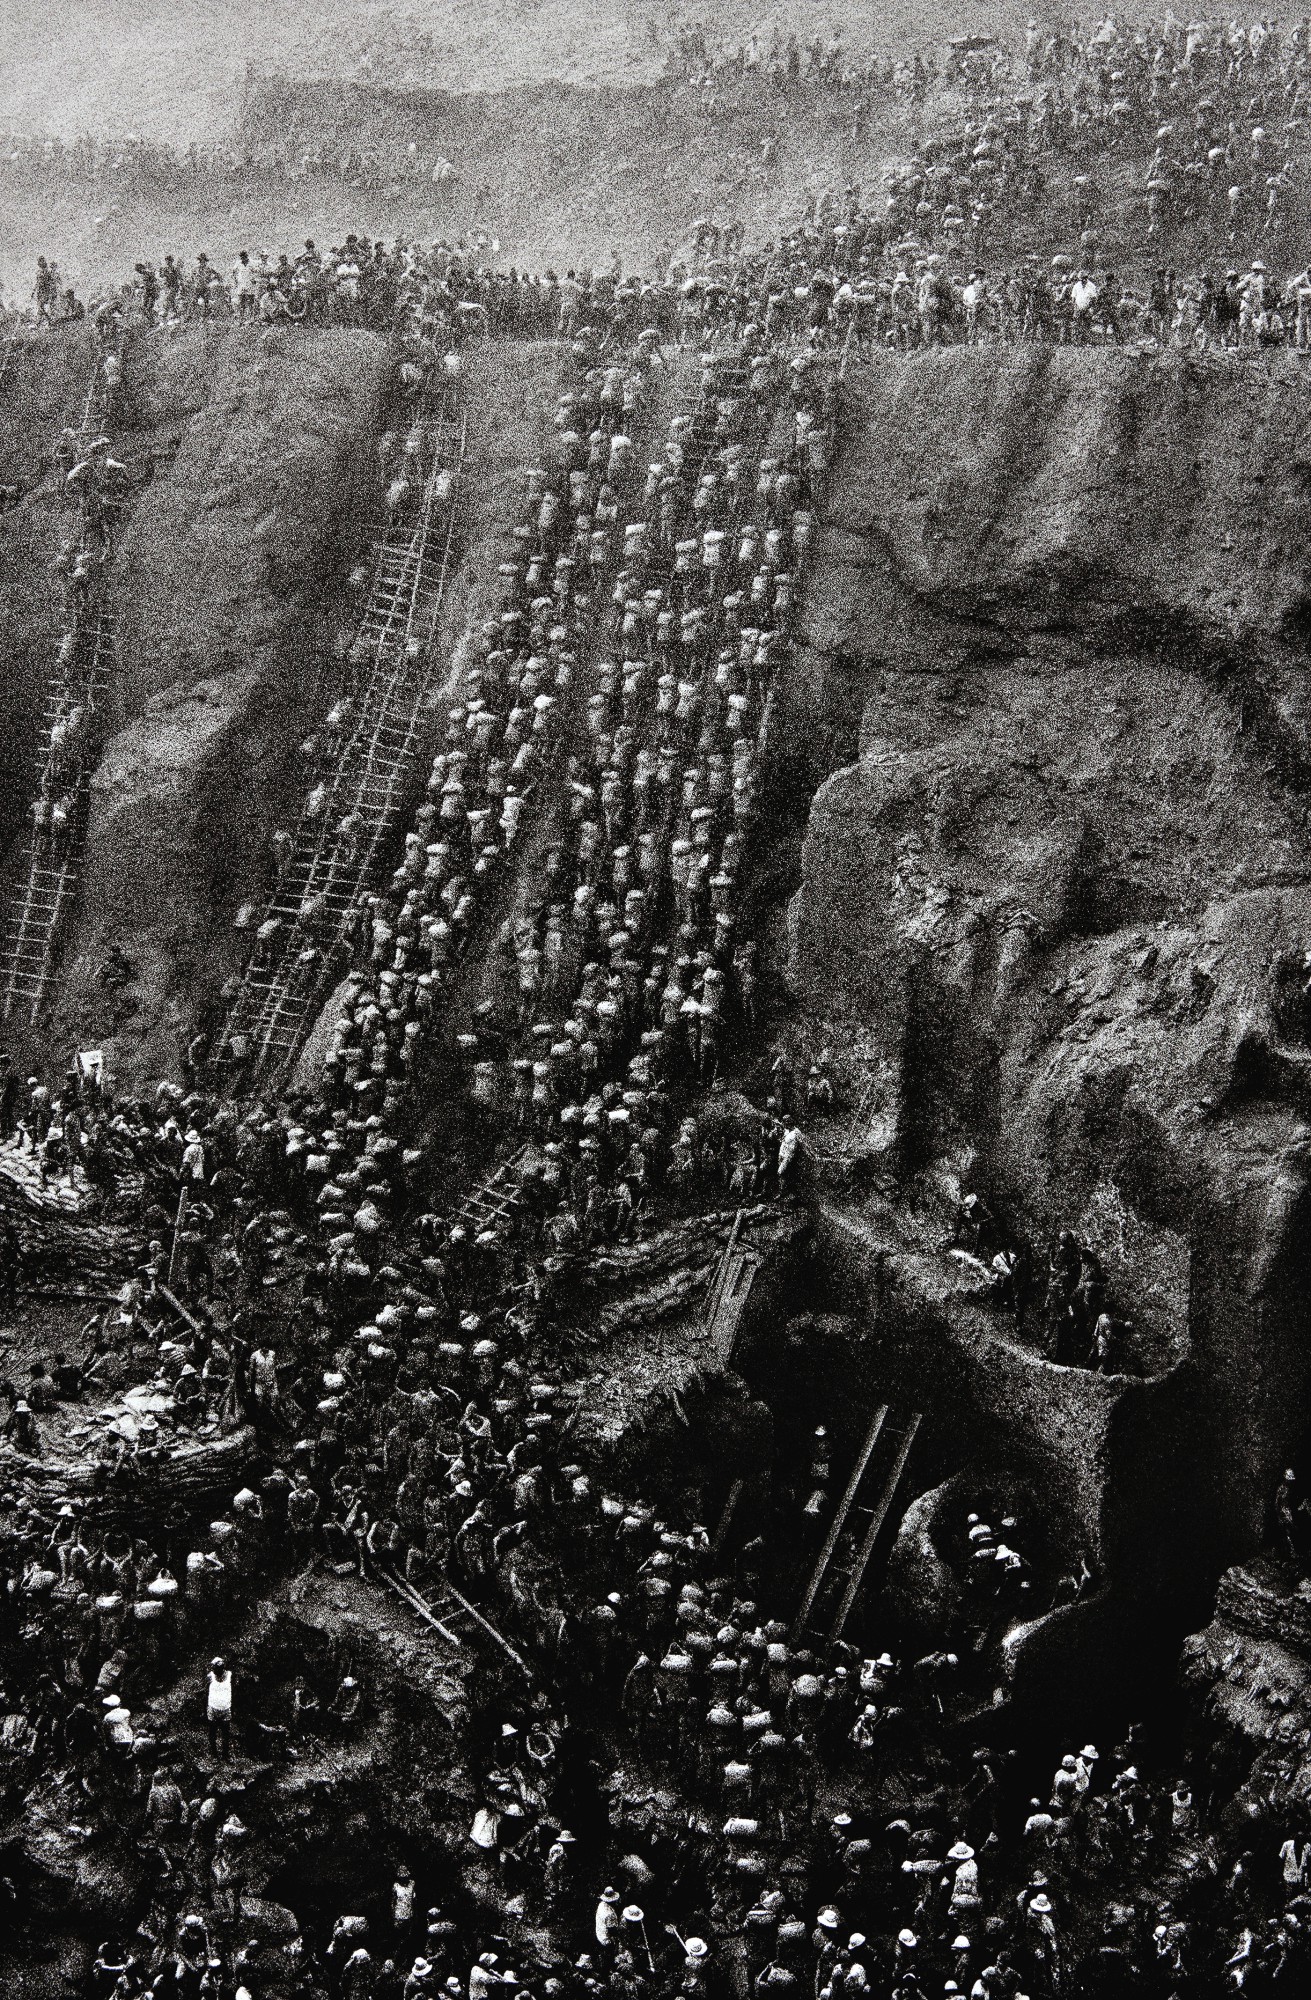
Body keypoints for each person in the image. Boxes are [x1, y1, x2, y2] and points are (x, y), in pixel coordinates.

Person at [206, 1656, 234, 1760]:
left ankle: (226, 1755)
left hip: (226, 1708)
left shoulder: (230, 1675)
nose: (215, 1670)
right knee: (212, 1733)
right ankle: (214, 1755)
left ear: (222, 1668)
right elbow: (206, 1691)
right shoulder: (210, 1676)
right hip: (213, 1708)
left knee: (226, 1733)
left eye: (218, 1668)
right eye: (214, 1668)